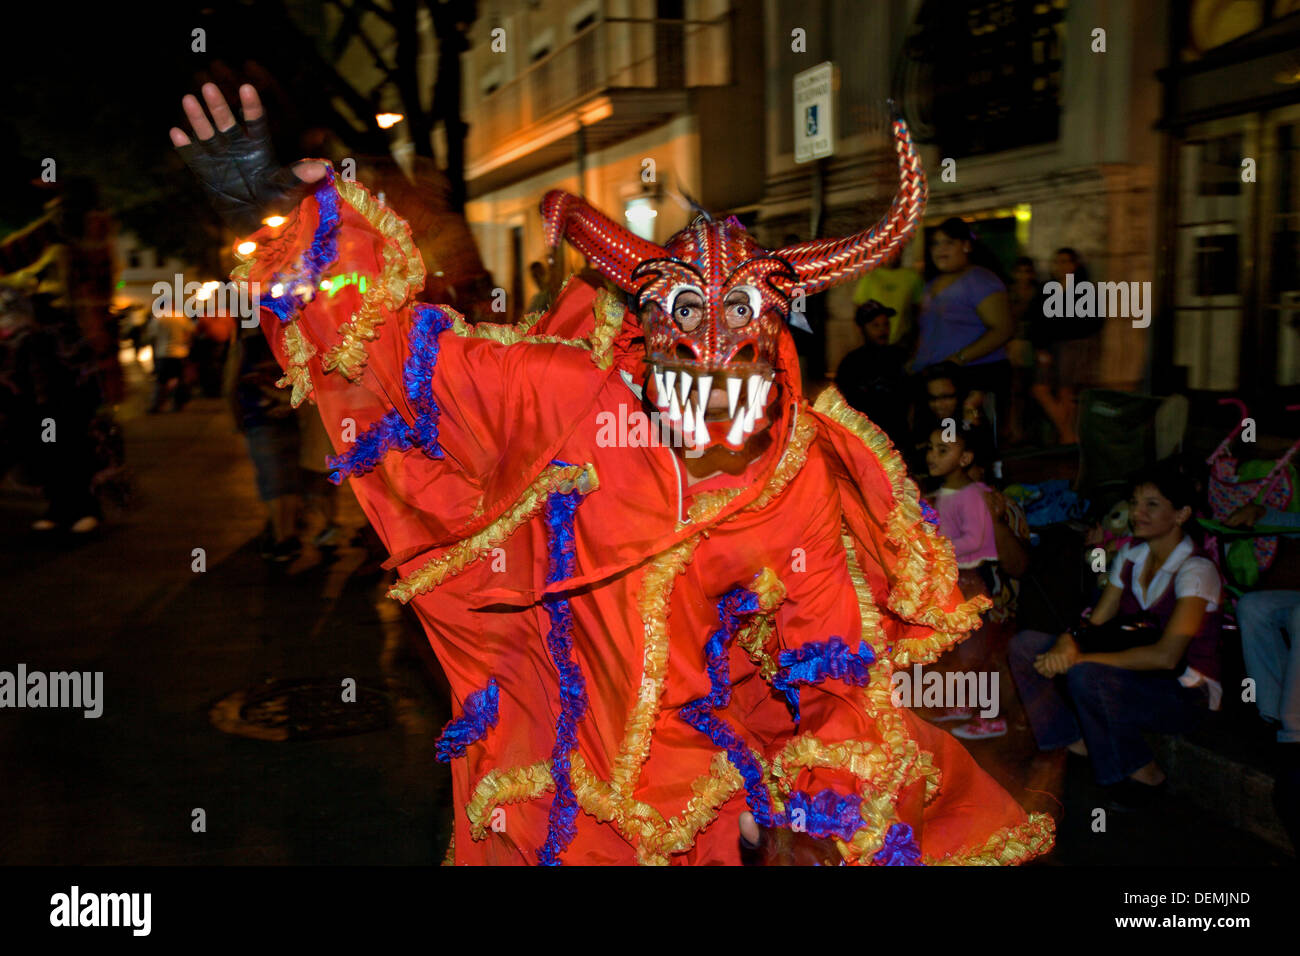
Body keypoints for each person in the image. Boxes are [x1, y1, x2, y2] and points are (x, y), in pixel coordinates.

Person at [169, 82, 1053, 865]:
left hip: (706, 803)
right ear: (649, 344)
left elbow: (832, 668)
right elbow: (393, 361)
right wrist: (283, 222)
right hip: (552, 778)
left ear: (775, 345)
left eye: (738, 358)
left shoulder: (795, 478)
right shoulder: (568, 399)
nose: (712, 386)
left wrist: (811, 808)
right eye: (686, 358)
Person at [1008, 462, 1223, 811]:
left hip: (1187, 690)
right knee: (1025, 646)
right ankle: (1070, 743)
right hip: (1141, 671)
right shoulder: (1131, 555)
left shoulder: (1197, 570)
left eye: (1151, 505)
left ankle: (1143, 774)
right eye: (1135, 503)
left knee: (1086, 674)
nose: (1137, 513)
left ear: (1182, 513)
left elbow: (1166, 656)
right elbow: (1096, 622)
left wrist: (1079, 657)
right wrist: (1068, 641)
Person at [910, 218, 1014, 437]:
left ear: (966, 246)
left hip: (973, 376)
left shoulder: (981, 280)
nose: (940, 250)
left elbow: (1002, 329)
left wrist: (958, 359)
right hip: (934, 378)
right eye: (935, 244)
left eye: (948, 243)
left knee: (966, 446)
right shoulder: (931, 284)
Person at [1029, 248, 1100, 445]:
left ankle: (1066, 436)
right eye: (1057, 262)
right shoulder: (1046, 289)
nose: (1061, 266)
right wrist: (1041, 347)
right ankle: (1067, 433)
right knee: (1041, 388)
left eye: (1065, 262)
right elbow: (1037, 320)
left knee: (1066, 392)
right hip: (1051, 346)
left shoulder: (1084, 290)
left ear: (1074, 265)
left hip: (1074, 346)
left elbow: (1094, 320)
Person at [833, 300, 909, 448]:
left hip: (897, 439)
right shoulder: (851, 363)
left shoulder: (899, 357)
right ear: (862, 328)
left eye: (886, 324)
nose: (882, 330)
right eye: (875, 325)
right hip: (865, 440)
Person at [852, 249, 923, 347]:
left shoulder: (912, 277)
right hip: (875, 346)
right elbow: (859, 315)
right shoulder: (870, 277)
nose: (892, 252)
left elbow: (920, 312)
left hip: (903, 345)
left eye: (896, 248)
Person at [148, 309, 194, 412]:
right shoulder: (181, 317)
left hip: (162, 353)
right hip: (180, 353)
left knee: (161, 381)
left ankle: (157, 405)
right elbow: (190, 332)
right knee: (180, 379)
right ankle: (178, 404)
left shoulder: (158, 318)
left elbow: (151, 337)